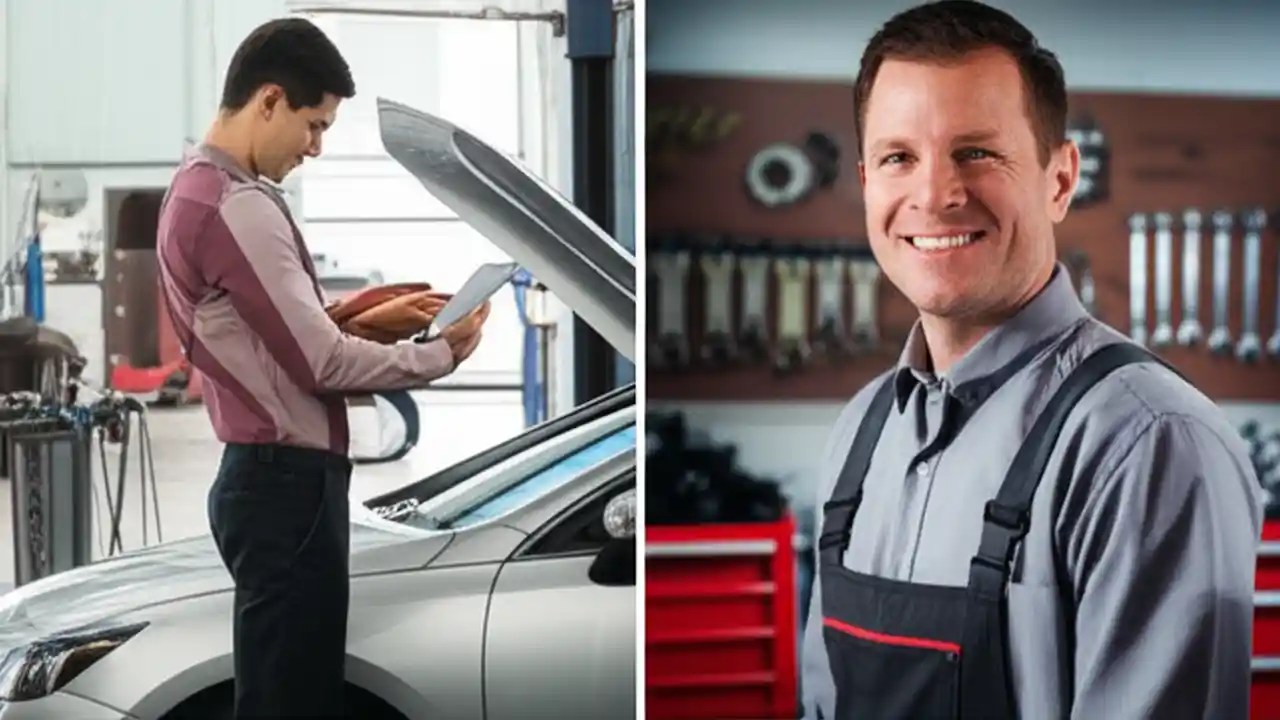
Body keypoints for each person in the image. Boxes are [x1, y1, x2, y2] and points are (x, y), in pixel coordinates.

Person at [800, 2, 1262, 718]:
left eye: (976, 152)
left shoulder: (1147, 446)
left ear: (1059, 179)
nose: (935, 194)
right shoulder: (863, 432)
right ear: (866, 183)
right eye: (899, 158)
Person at [155, 18, 490, 718]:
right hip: (285, 489)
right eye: (314, 125)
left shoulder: (194, 190)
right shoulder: (236, 204)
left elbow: (267, 337)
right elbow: (320, 362)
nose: (316, 147)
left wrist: (368, 310)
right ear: (269, 100)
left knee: (284, 691)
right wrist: (441, 352)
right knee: (292, 702)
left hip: (265, 483)